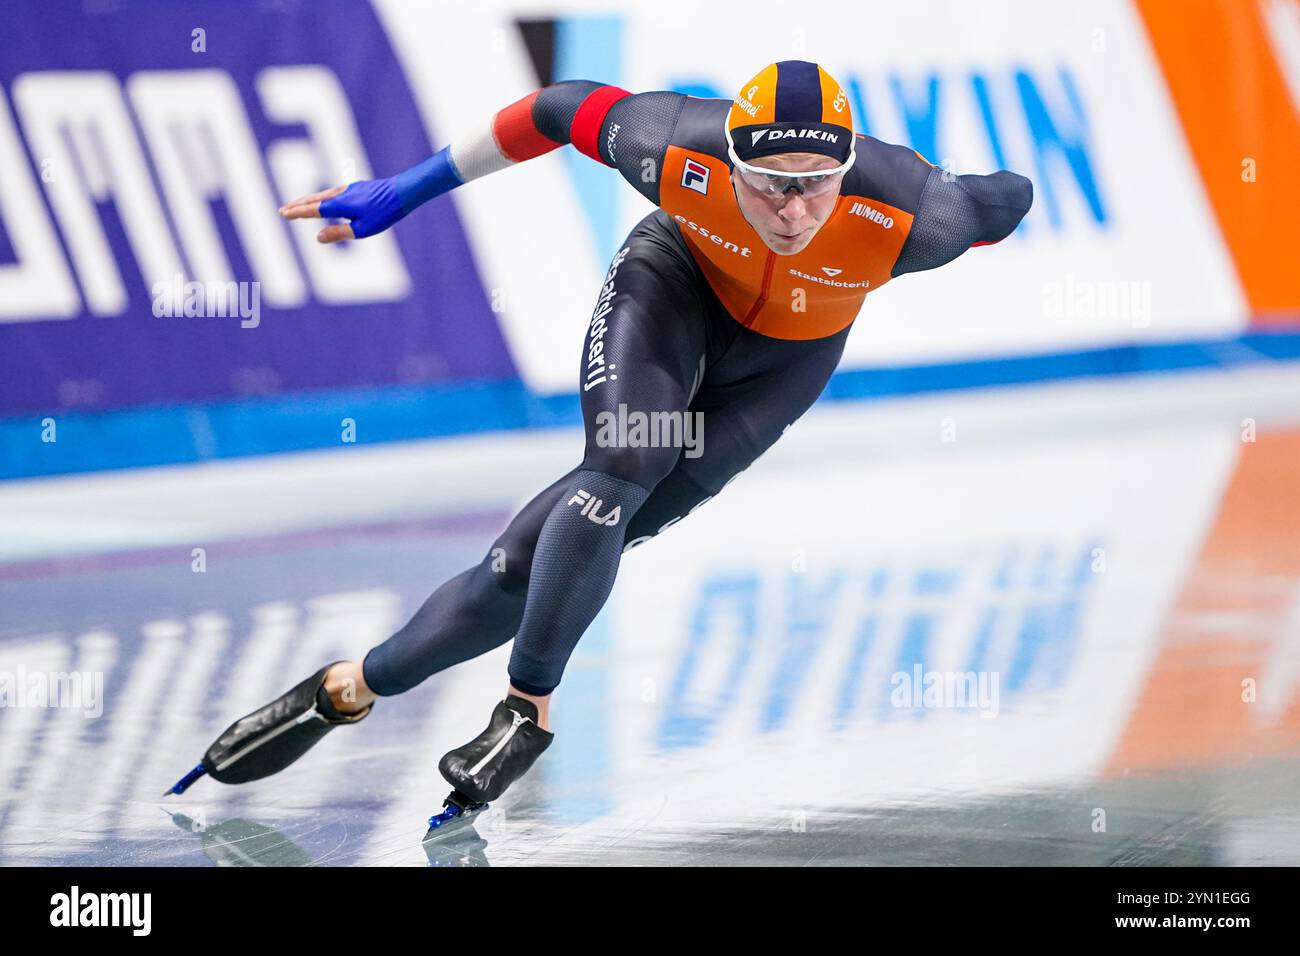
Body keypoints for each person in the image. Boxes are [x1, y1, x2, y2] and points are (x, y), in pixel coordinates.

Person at [169, 61, 1032, 813]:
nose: (793, 210)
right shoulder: (670, 142)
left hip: (779, 371)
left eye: (815, 182)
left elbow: (1009, 197)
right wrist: (403, 191)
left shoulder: (922, 217)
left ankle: (347, 687)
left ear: (847, 168)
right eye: (768, 181)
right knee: (624, 462)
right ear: (728, 158)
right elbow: (552, 111)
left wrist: (967, 179)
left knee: (521, 569)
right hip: (673, 290)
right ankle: (527, 710)